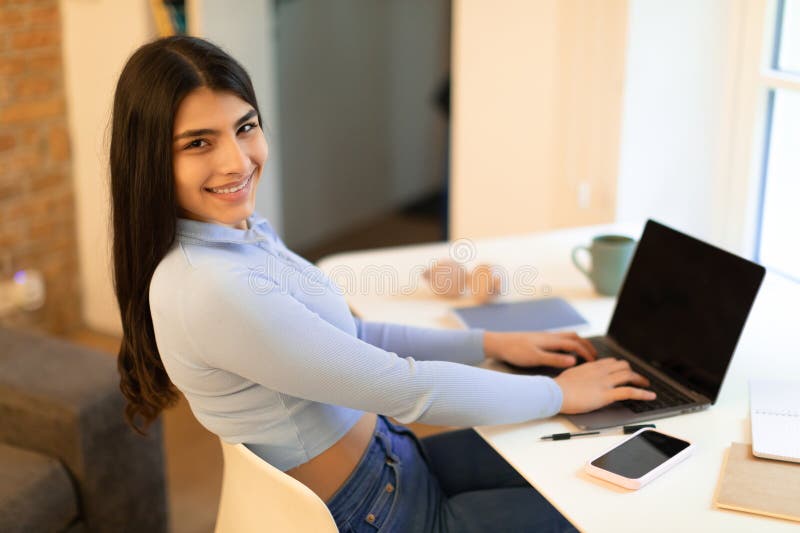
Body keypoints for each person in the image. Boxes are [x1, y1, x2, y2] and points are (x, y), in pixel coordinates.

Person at [111, 36, 656, 533]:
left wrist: (492, 344)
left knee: (574, 462)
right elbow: (406, 390)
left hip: (393, 461)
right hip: (382, 511)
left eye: (245, 127)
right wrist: (561, 391)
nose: (237, 161)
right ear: (151, 159)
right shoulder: (213, 287)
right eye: (199, 143)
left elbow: (355, 338)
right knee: (604, 513)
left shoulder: (234, 238)